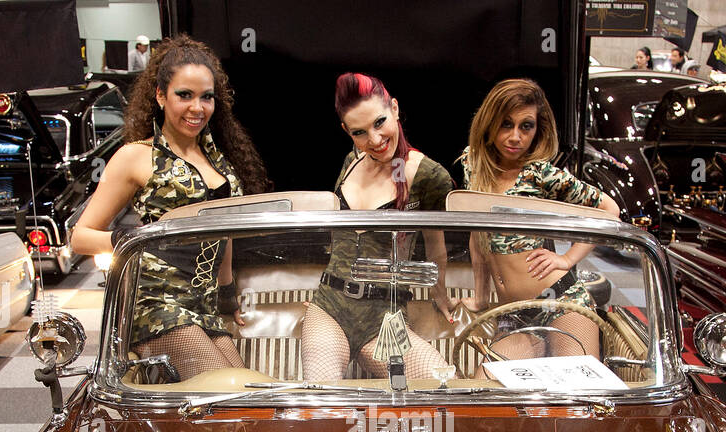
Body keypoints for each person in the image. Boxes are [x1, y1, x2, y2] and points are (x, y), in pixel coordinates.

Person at [72, 34, 270, 379]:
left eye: (206, 97)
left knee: (247, 392)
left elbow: (224, 235)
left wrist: (227, 298)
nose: (198, 108)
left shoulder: (219, 159)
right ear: (161, 96)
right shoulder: (135, 156)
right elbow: (81, 236)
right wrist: (140, 239)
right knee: (228, 392)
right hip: (154, 305)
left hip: (203, 307)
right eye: (185, 95)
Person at [300, 73, 456, 381]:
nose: (374, 139)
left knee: (441, 385)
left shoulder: (428, 175)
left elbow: (436, 249)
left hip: (384, 317)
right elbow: (337, 237)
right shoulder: (351, 162)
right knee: (320, 400)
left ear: (395, 109)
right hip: (330, 307)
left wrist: (443, 299)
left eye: (379, 122)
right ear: (346, 131)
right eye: (359, 132)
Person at [457, 78, 622, 364]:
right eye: (506, 124)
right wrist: (482, 297)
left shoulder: (541, 174)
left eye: (526, 126)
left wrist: (568, 259)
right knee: (492, 389)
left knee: (578, 395)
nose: (515, 137)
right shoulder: (473, 166)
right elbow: (478, 237)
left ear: (538, 129)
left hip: (560, 301)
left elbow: (609, 209)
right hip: (512, 312)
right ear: (489, 122)